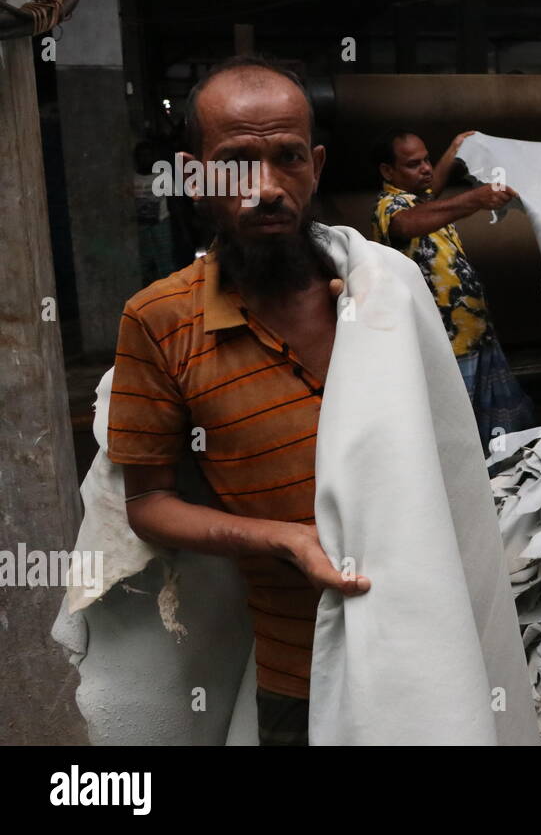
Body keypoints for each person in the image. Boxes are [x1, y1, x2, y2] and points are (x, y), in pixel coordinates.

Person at [108, 57, 396, 745]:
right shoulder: (159, 321)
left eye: (288, 158)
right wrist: (280, 538)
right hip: (300, 668)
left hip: (426, 633)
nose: (267, 188)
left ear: (317, 166)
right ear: (195, 174)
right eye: (236, 162)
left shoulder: (387, 292)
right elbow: (147, 505)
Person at [370, 130, 533, 448]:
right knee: (456, 433)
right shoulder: (387, 207)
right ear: (387, 172)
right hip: (447, 350)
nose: (426, 168)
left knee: (504, 429)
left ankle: (503, 483)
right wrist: (474, 199)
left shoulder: (421, 199)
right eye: (413, 164)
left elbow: (432, 192)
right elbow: (406, 223)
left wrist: (455, 147)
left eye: (427, 160)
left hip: (477, 337)